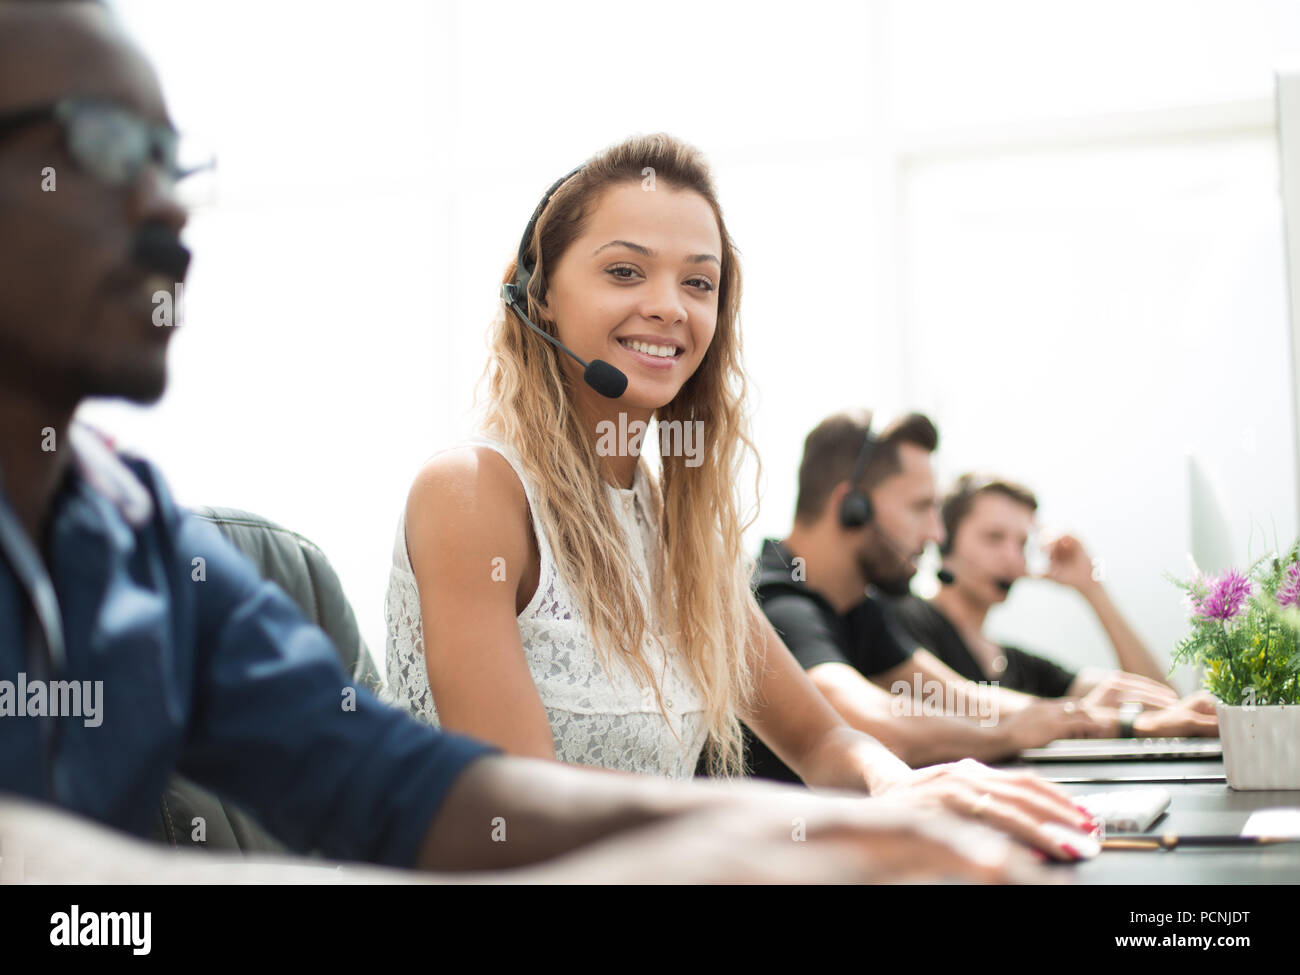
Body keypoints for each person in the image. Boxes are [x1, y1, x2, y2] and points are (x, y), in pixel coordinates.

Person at [0, 0, 1047, 885]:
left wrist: (848, 822)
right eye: (100, 146)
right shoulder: (473, 492)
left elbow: (406, 785)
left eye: (171, 161)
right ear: (539, 299)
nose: (168, 208)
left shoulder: (130, 534)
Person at [384, 131, 1101, 860]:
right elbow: (529, 816)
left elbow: (823, 738)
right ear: (537, 296)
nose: (669, 307)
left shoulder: (668, 525)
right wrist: (831, 831)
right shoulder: (471, 493)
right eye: (626, 271)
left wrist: (895, 787)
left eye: (699, 282)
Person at [744, 410, 1217, 781]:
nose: (934, 532)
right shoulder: (774, 600)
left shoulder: (857, 610)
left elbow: (960, 697)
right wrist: (1028, 730)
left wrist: (1096, 718)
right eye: (921, 507)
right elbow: (871, 721)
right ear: (851, 505)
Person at [887, 474, 1197, 717]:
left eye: (1022, 544)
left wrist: (1092, 588)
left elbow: (1163, 698)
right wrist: (1074, 714)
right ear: (944, 542)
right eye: (993, 538)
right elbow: (937, 706)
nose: (1012, 558)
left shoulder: (1015, 663)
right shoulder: (899, 620)